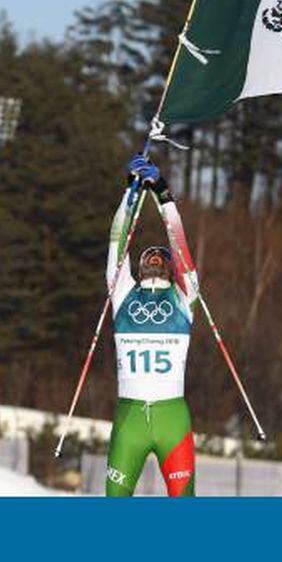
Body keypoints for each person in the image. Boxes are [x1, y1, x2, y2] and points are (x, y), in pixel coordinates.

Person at [104, 156, 201, 497]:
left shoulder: (183, 296)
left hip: (171, 418)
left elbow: (180, 246)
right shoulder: (123, 293)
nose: (157, 261)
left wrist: (163, 194)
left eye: (162, 259)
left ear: (171, 270)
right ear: (140, 267)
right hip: (130, 417)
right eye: (150, 258)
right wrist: (129, 196)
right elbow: (117, 244)